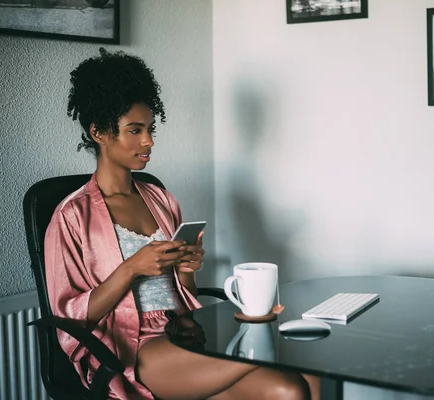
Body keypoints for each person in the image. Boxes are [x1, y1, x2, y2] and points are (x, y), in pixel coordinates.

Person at [45, 48, 320, 400]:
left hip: (182, 330)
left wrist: (188, 267)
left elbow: (182, 289)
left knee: (296, 386)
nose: (149, 141)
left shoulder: (160, 199)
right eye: (135, 130)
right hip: (132, 347)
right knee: (289, 362)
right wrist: (130, 270)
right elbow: (69, 317)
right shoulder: (72, 216)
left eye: (150, 128)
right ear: (98, 132)